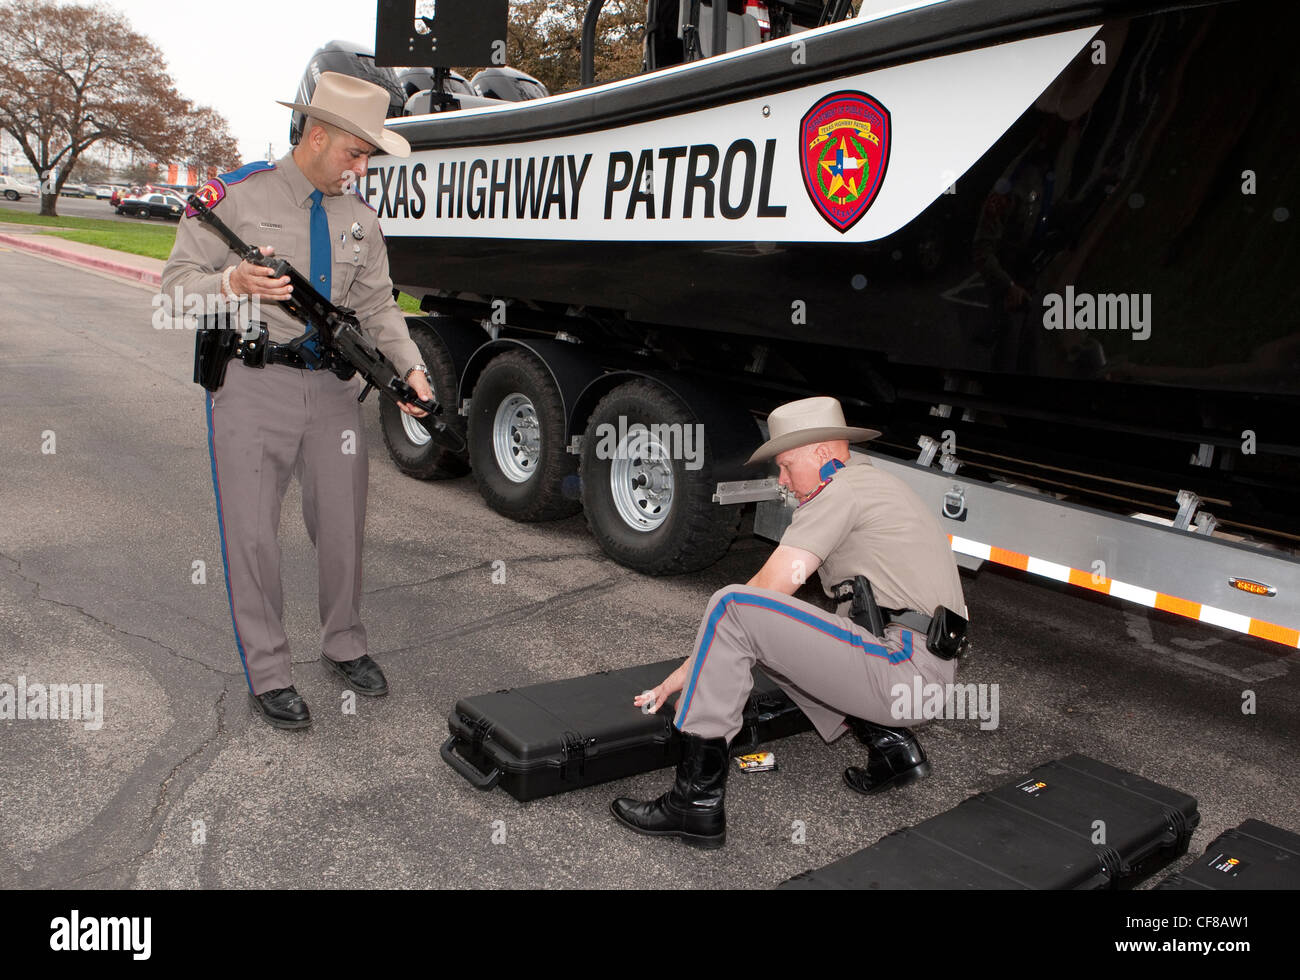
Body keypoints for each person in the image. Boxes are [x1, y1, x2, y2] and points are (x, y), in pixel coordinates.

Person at [162, 72, 435, 730]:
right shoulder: (237, 196)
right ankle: (269, 671)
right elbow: (174, 290)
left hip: (336, 392)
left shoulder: (361, 219)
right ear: (316, 136)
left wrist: (413, 370)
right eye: (355, 153)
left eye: (369, 156)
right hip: (254, 387)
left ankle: (344, 643)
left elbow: (376, 305)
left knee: (342, 529)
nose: (362, 168)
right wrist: (232, 281)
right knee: (253, 536)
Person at [611, 396, 968, 847]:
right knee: (773, 637)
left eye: (785, 465)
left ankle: (693, 804)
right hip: (916, 674)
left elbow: (767, 589)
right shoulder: (874, 485)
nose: (782, 481)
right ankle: (891, 747)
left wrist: (683, 676)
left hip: (903, 667)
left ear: (821, 454)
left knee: (732, 606)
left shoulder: (840, 491)